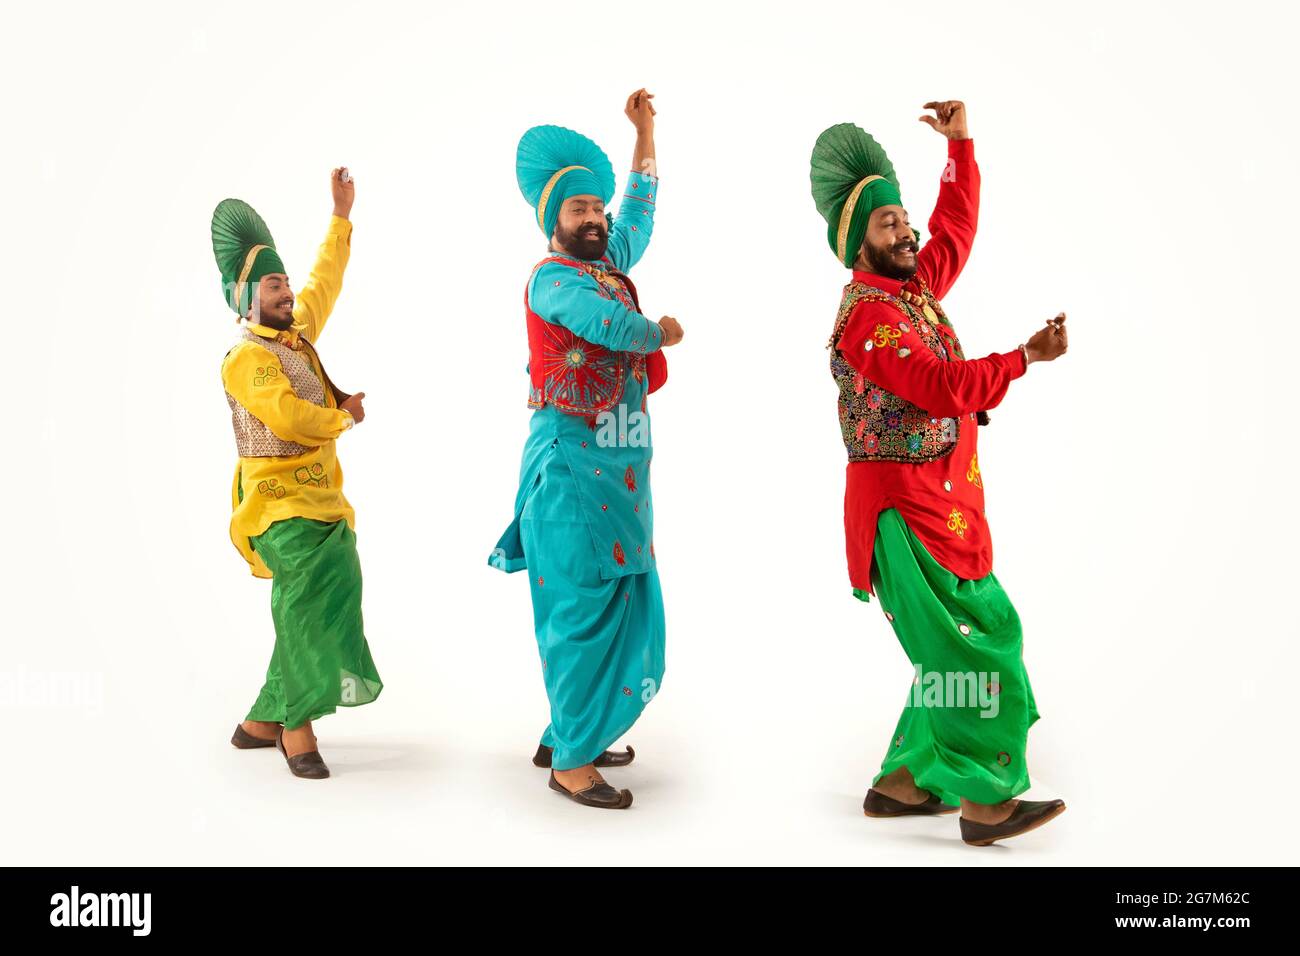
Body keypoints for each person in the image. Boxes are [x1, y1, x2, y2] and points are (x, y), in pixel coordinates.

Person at [811, 102, 1069, 845]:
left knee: (963, 638)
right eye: (889, 223)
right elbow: (938, 387)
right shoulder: (871, 316)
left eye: (903, 218)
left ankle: (906, 782)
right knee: (971, 647)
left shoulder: (912, 291)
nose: (908, 230)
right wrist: (1022, 359)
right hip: (900, 511)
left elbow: (953, 230)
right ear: (857, 240)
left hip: (944, 498)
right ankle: (986, 801)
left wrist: (959, 147)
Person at [489, 90, 683, 809]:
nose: (597, 217)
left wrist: (646, 132)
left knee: (618, 601)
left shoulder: (606, 259)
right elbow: (605, 324)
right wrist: (655, 332)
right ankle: (571, 761)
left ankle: (571, 728)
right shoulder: (551, 280)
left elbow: (641, 208)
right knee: (577, 604)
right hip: (571, 468)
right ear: (553, 222)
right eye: (580, 210)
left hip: (623, 474)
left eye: (596, 209)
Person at [212, 168, 381, 780]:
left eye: (284, 283)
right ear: (247, 297)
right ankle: (296, 727)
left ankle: (260, 720)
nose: (287, 293)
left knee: (333, 590)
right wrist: (342, 416)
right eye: (273, 285)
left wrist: (340, 216)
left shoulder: (295, 335)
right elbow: (284, 415)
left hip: (325, 502)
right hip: (274, 507)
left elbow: (325, 284)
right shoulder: (246, 358)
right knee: (301, 602)